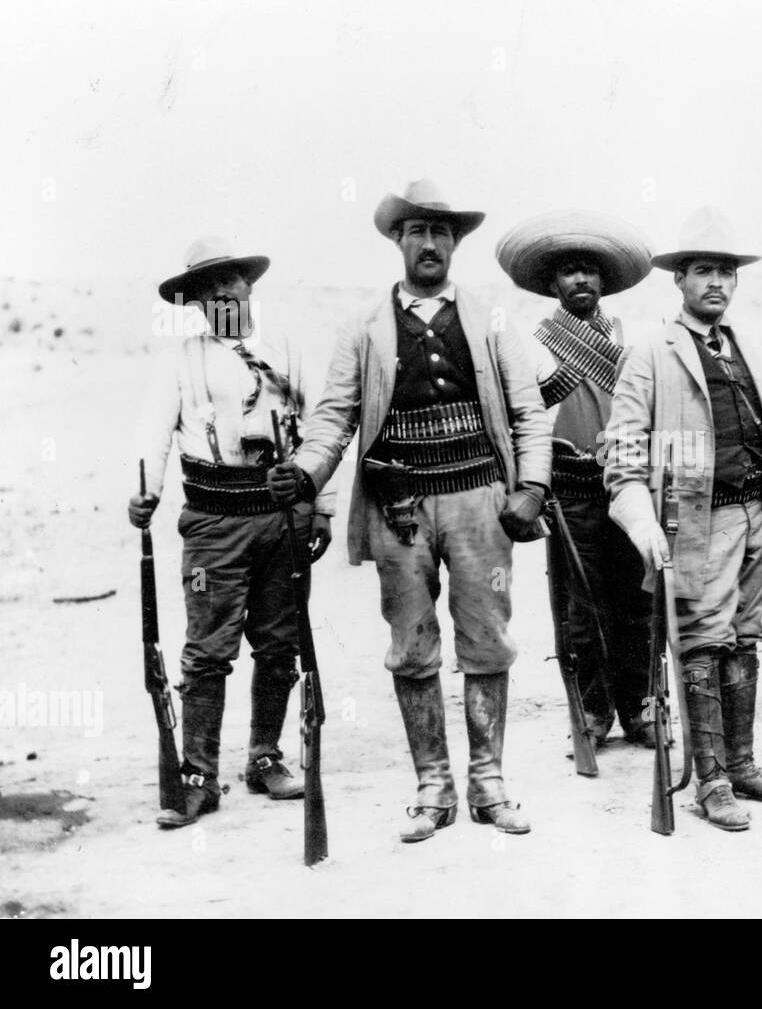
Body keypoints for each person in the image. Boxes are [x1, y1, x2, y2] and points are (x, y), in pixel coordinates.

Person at [269, 178, 552, 840]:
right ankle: (433, 788)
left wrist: (531, 488)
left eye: (441, 231)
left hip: (480, 502)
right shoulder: (364, 327)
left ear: (455, 243)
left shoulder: (491, 321)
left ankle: (489, 784)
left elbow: (528, 413)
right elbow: (334, 417)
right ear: (398, 241)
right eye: (417, 231)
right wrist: (305, 473)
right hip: (398, 511)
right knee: (411, 646)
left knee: (486, 640)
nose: (429, 243)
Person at [604, 207, 762, 832]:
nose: (715, 283)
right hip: (697, 522)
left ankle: (743, 764)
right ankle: (711, 780)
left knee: (745, 637)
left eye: (725, 271)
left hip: (759, 515)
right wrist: (643, 525)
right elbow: (621, 450)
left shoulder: (742, 344)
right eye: (703, 271)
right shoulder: (652, 351)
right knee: (702, 639)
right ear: (679, 280)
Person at [131, 237, 335, 828]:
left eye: (231, 281)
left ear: (250, 286)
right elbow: (154, 427)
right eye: (206, 287)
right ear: (194, 301)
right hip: (214, 521)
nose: (221, 292)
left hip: (283, 515)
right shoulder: (180, 359)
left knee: (279, 643)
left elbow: (322, 427)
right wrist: (145, 488)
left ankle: (265, 756)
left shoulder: (287, 348)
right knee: (208, 651)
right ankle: (197, 774)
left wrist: (320, 507)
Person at [496, 210, 656, 751]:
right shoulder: (532, 344)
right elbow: (522, 420)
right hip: (568, 490)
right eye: (569, 271)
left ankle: (641, 709)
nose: (580, 280)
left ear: (604, 280)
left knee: (638, 601)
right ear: (552, 283)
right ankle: (591, 711)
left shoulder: (633, 338)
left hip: (628, 485)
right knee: (580, 609)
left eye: (589, 270)